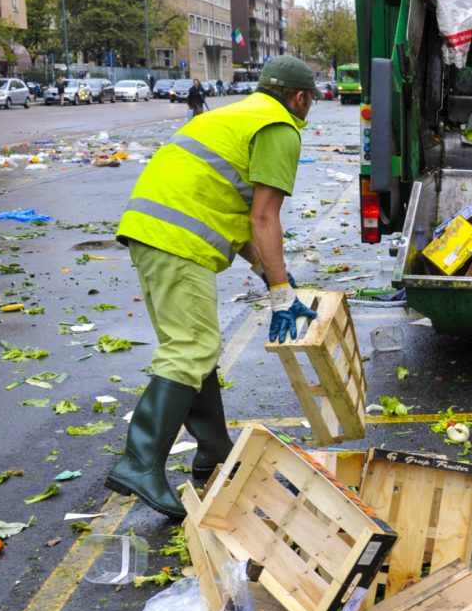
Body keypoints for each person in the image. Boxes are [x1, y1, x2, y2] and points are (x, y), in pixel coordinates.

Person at [105, 55, 320, 519]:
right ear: (300, 98)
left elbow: (237, 219)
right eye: (310, 102)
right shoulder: (279, 127)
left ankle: (214, 446)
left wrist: (271, 276)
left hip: (153, 229)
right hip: (176, 239)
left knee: (196, 344)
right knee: (193, 345)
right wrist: (282, 294)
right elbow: (264, 218)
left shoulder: (235, 115)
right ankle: (139, 463)